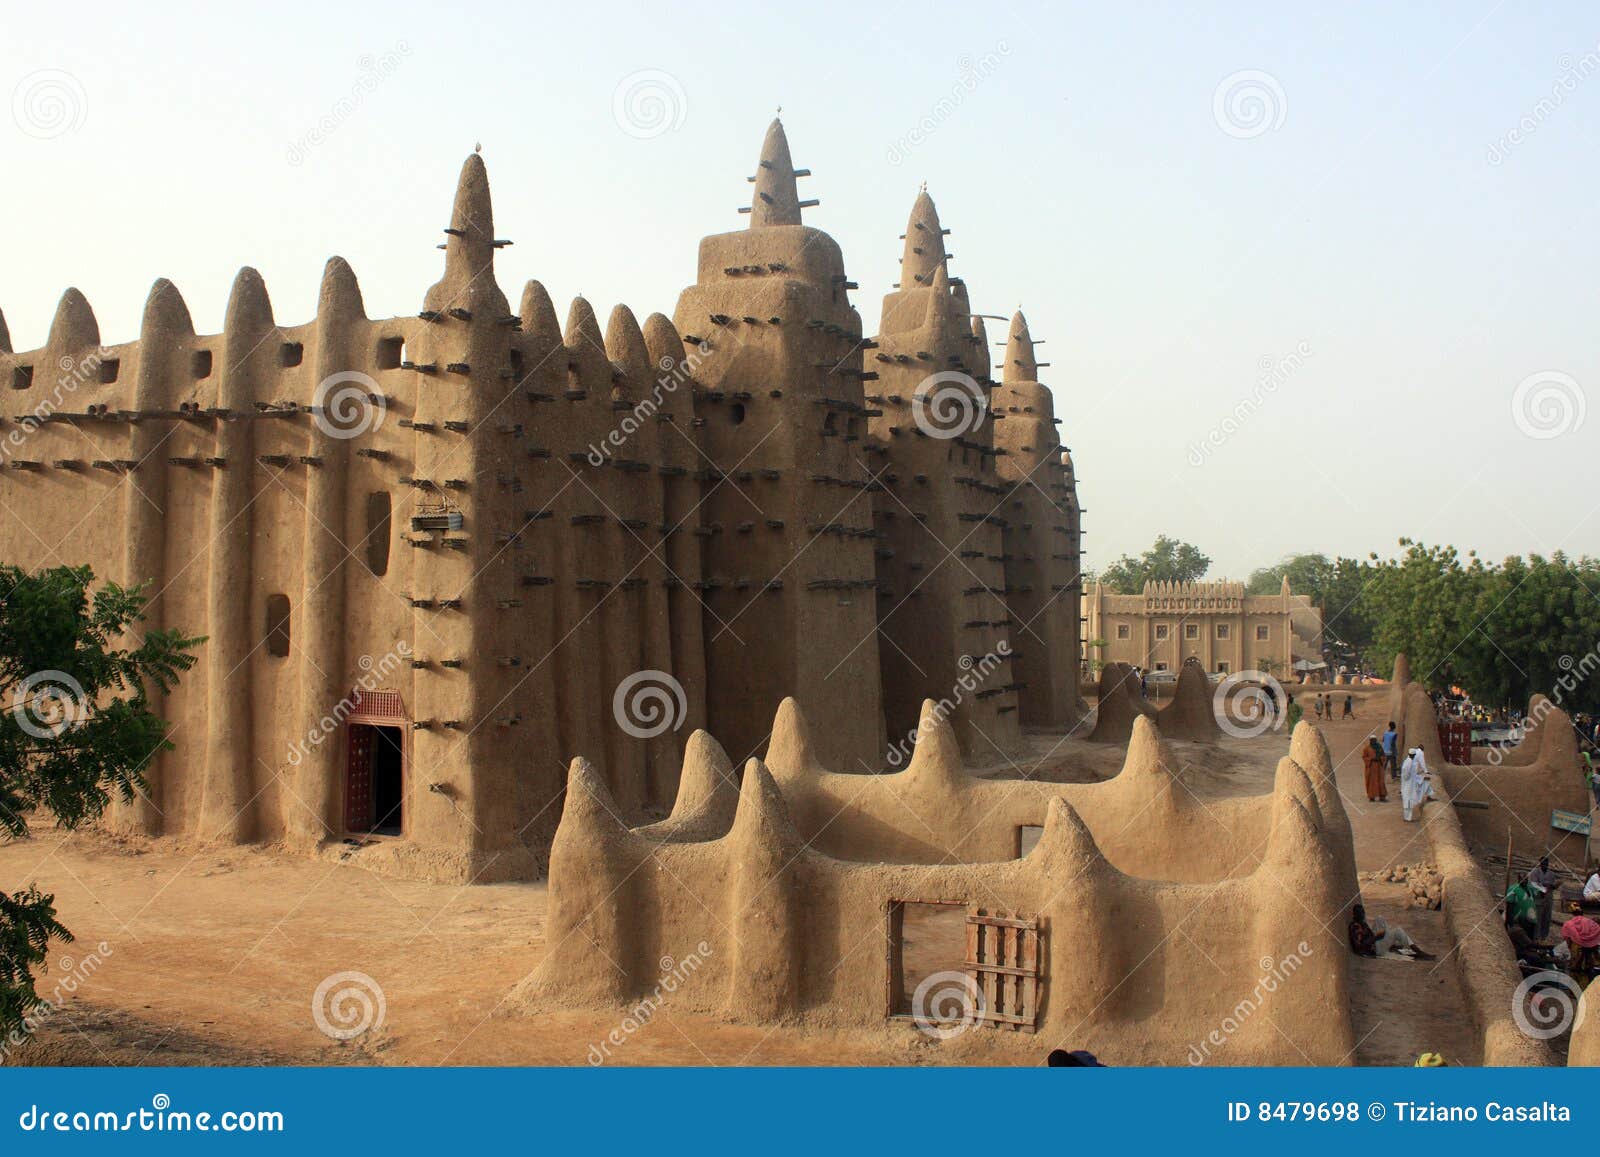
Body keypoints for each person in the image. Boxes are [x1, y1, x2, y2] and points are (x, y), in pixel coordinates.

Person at [1527, 857, 1560, 940]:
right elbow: (1533, 884)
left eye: (1546, 864)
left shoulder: (1551, 874)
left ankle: (1544, 936)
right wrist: (1543, 888)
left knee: (1547, 917)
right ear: (1540, 863)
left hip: (1548, 897)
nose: (1544, 865)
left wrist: (1554, 885)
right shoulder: (1534, 872)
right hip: (1538, 897)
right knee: (1538, 916)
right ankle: (1536, 936)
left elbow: (1553, 884)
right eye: (1543, 863)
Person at [1399, 746, 1434, 822]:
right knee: (1408, 801)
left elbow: (1412, 775)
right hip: (1408, 785)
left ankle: (1408, 817)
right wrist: (1418, 778)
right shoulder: (1408, 762)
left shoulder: (1410, 761)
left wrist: (1421, 778)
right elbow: (1406, 775)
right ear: (1413, 755)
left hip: (1411, 784)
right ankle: (1407, 818)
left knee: (1409, 800)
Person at [1361, 734, 1388, 802]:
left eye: (1374, 740)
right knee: (1371, 782)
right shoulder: (1366, 748)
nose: (1373, 741)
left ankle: (1382, 796)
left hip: (1379, 767)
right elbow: (1364, 757)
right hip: (1371, 768)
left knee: (1380, 781)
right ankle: (1371, 797)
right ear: (1370, 740)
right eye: (1372, 740)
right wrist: (1371, 759)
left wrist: (1380, 759)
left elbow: (1384, 756)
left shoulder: (1379, 747)